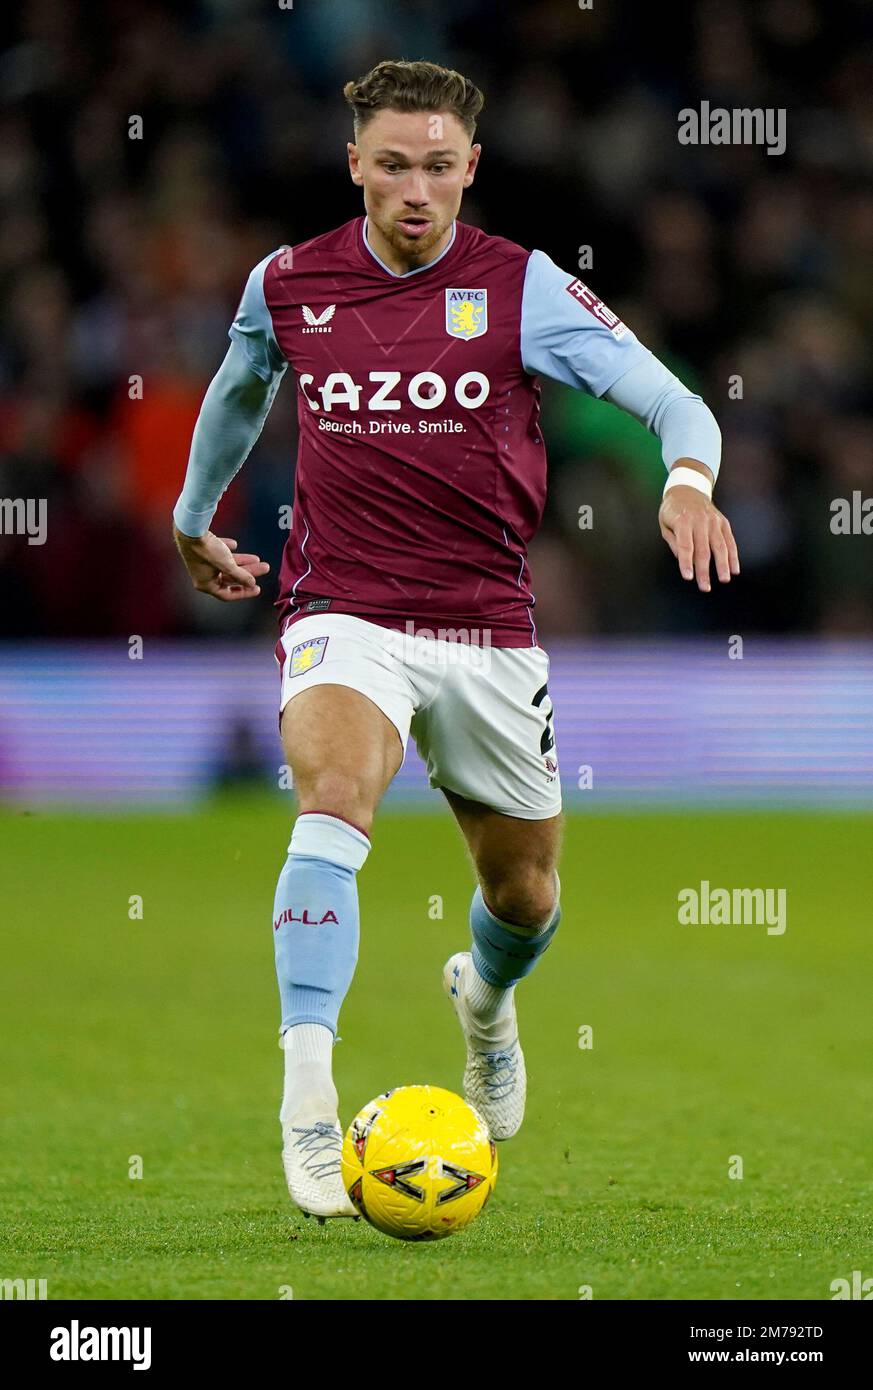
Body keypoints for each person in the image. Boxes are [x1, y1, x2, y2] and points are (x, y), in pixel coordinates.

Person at [172, 59, 739, 1222]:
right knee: (332, 795)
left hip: (488, 629)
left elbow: (677, 401)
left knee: (526, 896)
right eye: (393, 166)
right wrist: (194, 517)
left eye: (438, 167)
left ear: (471, 166)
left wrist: (686, 482)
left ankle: (482, 999)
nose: (416, 190)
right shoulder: (290, 283)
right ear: (356, 167)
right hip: (344, 611)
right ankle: (308, 1102)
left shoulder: (522, 289)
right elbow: (238, 389)